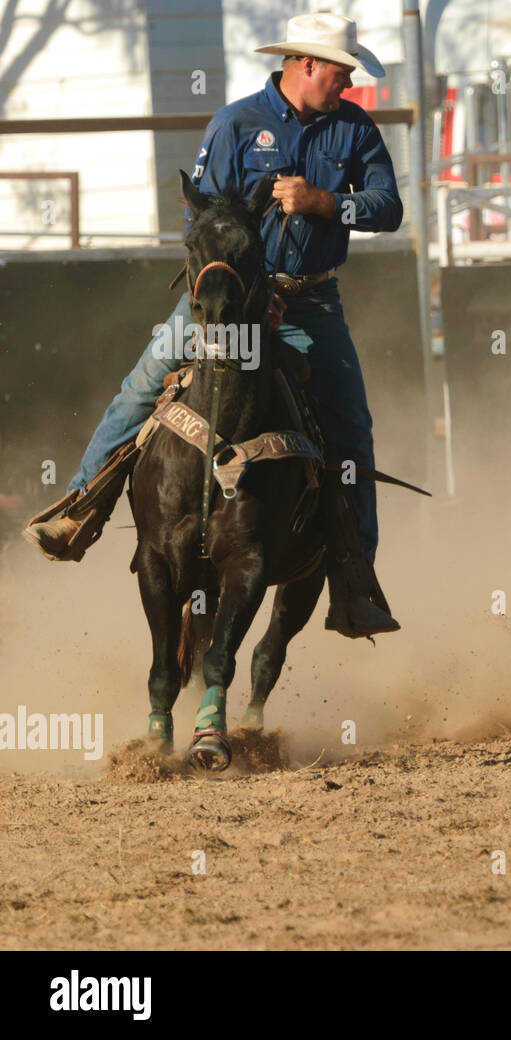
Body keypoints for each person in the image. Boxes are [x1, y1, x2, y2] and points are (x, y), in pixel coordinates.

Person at [22, 13, 403, 637]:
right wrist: (244, 294)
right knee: (144, 384)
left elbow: (388, 207)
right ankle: (79, 505)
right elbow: (201, 223)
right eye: (342, 71)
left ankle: (354, 578)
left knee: (350, 427)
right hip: (229, 300)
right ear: (306, 65)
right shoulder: (235, 124)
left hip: (311, 301)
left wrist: (326, 202)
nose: (349, 82)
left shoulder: (354, 128)